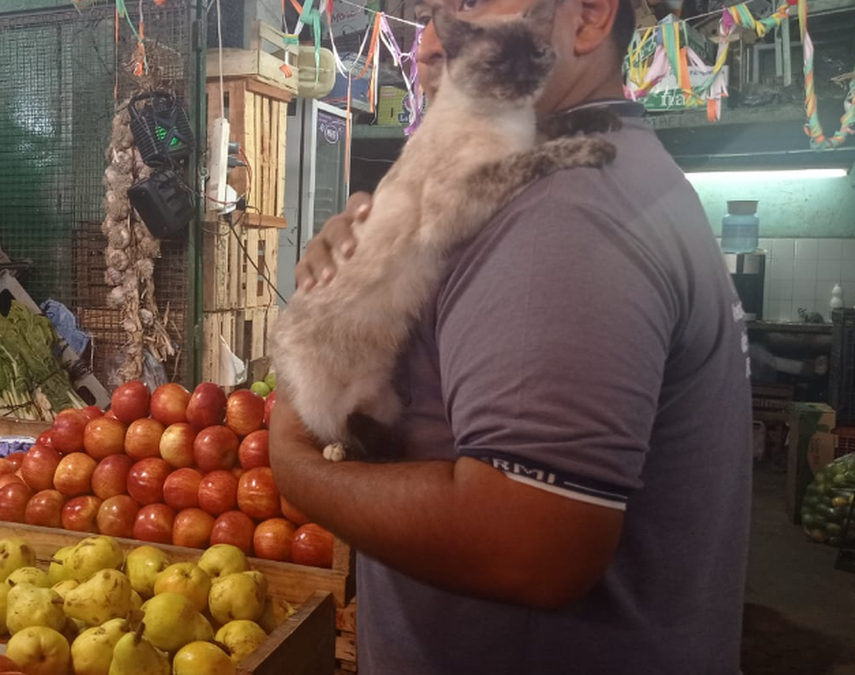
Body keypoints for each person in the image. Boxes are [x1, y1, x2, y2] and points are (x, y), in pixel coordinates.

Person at [267, 0, 753, 672]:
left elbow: (529, 548)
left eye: (471, 4)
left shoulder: (561, 213)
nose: (432, 41)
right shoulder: (613, 173)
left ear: (588, 17)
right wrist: (351, 284)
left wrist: (295, 464)